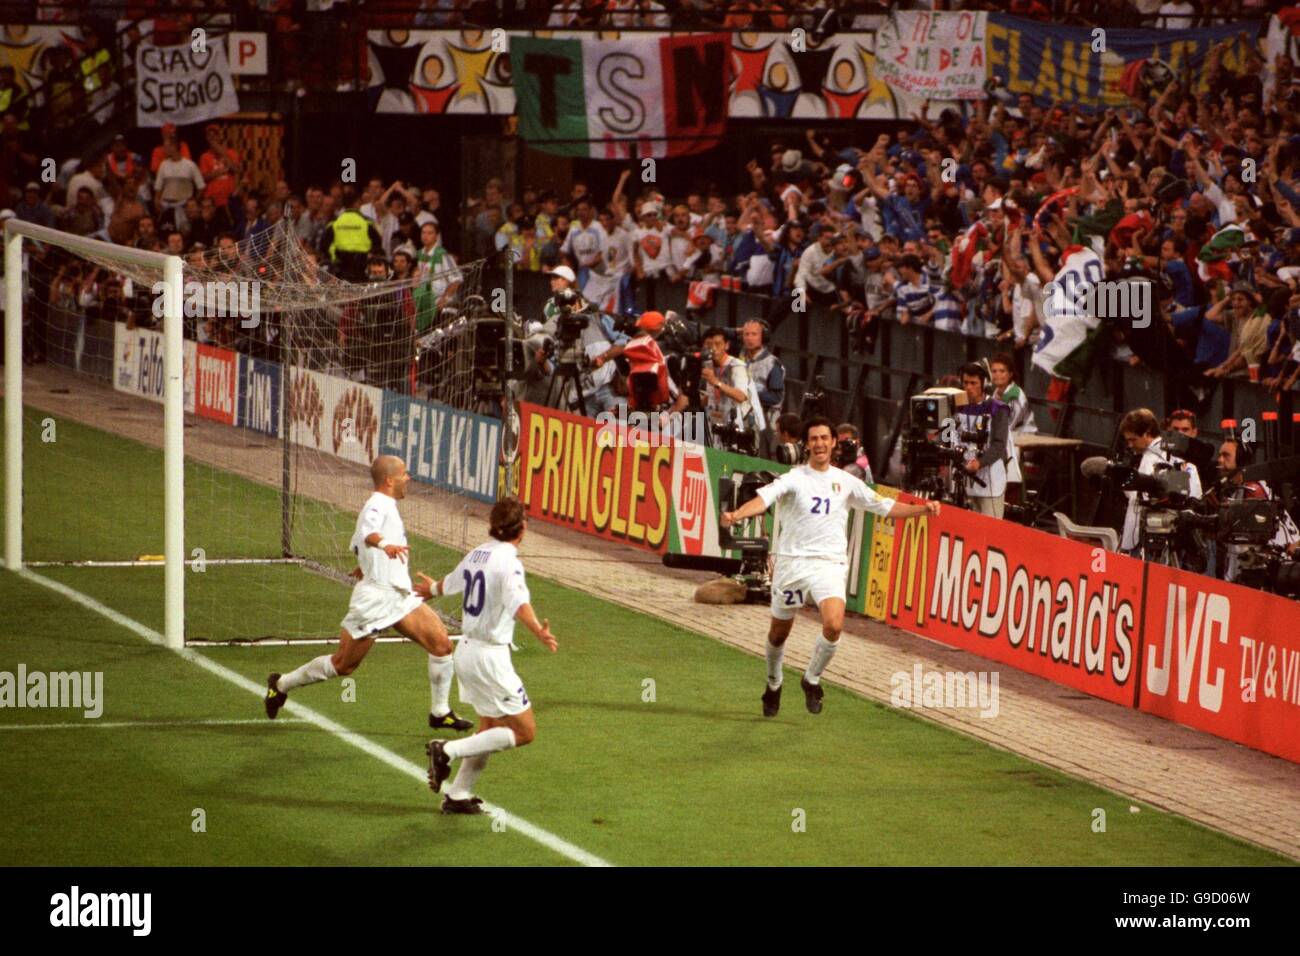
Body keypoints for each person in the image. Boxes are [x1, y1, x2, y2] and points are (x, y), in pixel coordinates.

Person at [721, 417, 940, 717]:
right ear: (806, 444)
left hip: (828, 565)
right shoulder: (795, 478)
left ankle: (811, 679)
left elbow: (885, 507)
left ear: (834, 442)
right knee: (778, 634)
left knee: (834, 624)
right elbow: (763, 499)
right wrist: (736, 515)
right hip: (793, 564)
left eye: (824, 438)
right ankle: (774, 683)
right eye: (814, 439)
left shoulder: (847, 482)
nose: (819, 444)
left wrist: (922, 510)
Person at [264, 456, 472, 732]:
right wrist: (385, 546)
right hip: (374, 599)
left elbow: (357, 544)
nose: (408, 478)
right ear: (389, 480)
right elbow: (367, 533)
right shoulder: (376, 504)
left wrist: (365, 563)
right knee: (344, 665)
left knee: (442, 645)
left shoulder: (388, 505)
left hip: (398, 595)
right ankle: (280, 685)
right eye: (404, 474)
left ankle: (440, 712)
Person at [420, 498, 557, 814]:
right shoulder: (509, 561)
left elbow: (450, 583)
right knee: (524, 732)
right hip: (490, 658)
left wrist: (432, 590)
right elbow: (518, 602)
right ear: (521, 528)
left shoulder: (477, 554)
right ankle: (446, 750)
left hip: (467, 651)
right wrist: (537, 629)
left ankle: (458, 794)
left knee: (490, 726)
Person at [1117, 408, 1202, 557]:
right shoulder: (1143, 455)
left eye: (1133, 439)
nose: (1130, 445)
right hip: (1141, 535)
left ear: (1147, 433)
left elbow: (1193, 501)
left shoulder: (1159, 457)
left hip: (1159, 537)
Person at [956, 363, 1011, 518]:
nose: (968, 387)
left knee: (990, 528)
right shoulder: (957, 405)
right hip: (965, 478)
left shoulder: (998, 409)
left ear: (983, 384)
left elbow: (999, 445)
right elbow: (948, 435)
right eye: (965, 383)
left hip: (991, 478)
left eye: (973, 383)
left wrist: (980, 463)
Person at [700, 326, 761, 451]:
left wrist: (715, 382)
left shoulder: (737, 366)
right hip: (716, 423)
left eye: (718, 344)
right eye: (709, 345)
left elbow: (741, 396)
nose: (713, 349)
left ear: (726, 346)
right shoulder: (707, 365)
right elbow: (712, 395)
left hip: (739, 427)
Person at [988, 353, 1036, 500]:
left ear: (1010, 374)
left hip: (1022, 440)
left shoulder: (1015, 395)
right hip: (1006, 436)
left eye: (1002, 371)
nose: (997, 375)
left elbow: (1008, 425)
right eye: (994, 371)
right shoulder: (996, 393)